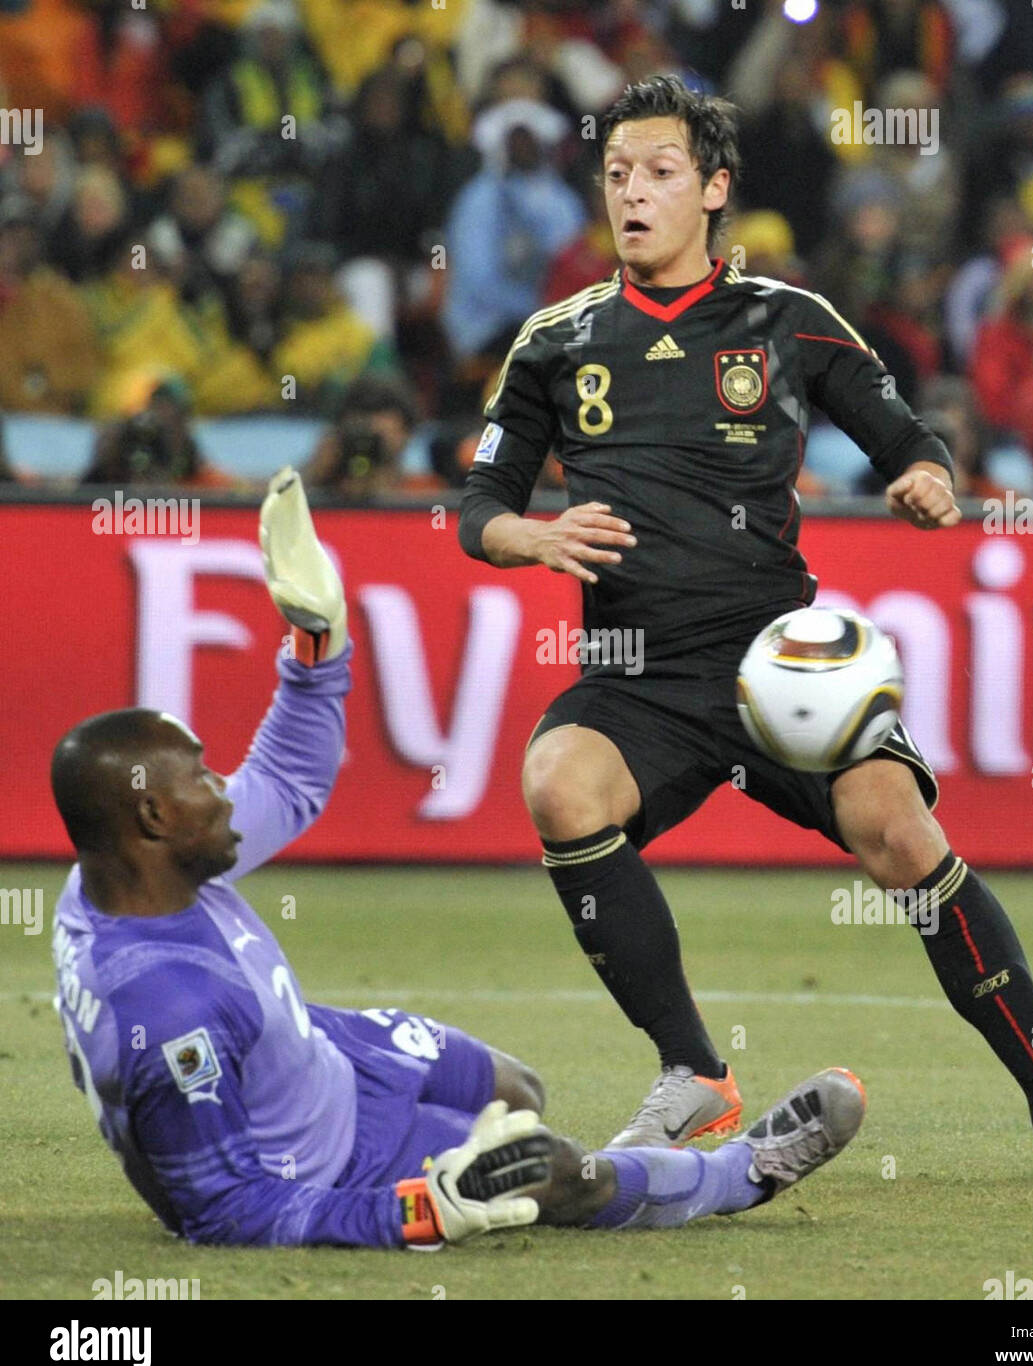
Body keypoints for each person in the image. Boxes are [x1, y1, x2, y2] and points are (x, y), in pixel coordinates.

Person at [458, 75, 1033, 1177]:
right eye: (618, 173)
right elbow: (478, 507)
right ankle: (695, 1076)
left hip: (780, 665)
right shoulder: (555, 339)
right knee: (558, 785)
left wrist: (924, 475)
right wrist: (525, 539)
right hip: (639, 672)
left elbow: (908, 435)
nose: (632, 193)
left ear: (713, 188)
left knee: (906, 841)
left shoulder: (788, 321)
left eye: (660, 173)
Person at [48, 468, 868, 1249]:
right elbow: (222, 1211)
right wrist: (414, 1210)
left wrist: (316, 642)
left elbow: (289, 779)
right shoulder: (167, 1016)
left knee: (514, 1090)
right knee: (550, 1168)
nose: (226, 790)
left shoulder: (133, 869)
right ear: (154, 814)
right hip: (329, 1161)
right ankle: (739, 1174)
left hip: (309, 1049)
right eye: (202, 779)